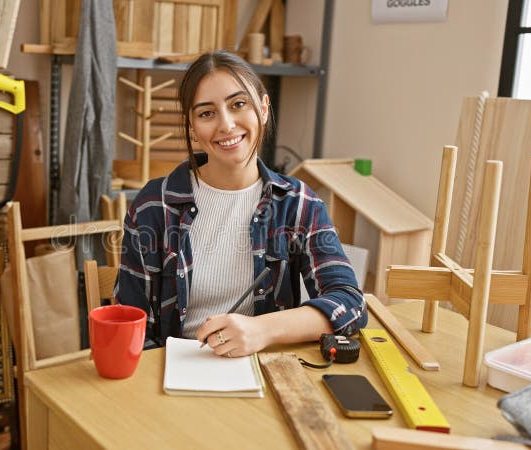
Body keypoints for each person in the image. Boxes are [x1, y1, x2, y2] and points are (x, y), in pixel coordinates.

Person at [114, 50, 366, 357]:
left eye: (238, 104)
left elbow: (349, 303)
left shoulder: (298, 204)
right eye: (207, 113)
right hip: (169, 377)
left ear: (263, 108)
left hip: (262, 374)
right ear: (192, 127)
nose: (227, 125)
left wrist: (262, 330)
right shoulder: (154, 205)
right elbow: (129, 323)